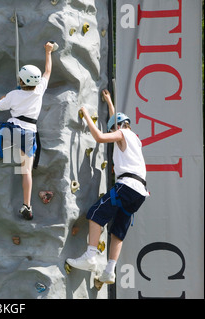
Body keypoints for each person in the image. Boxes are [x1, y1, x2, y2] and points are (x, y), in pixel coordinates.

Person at [66, 89, 149, 284]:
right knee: (118, 231)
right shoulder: (135, 138)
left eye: (114, 129)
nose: (114, 133)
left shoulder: (121, 133)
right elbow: (115, 122)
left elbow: (101, 137)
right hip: (140, 191)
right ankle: (109, 271)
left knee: (95, 213)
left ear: (118, 127)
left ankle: (91, 256)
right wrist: (110, 102)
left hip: (127, 185)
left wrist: (86, 115)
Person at [0, 41, 54, 220]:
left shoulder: (13, 95)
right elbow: (48, 71)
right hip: (29, 134)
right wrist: (48, 52)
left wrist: (5, 98)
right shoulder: (39, 90)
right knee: (26, 170)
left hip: (12, 129)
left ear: (21, 81)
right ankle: (27, 205)